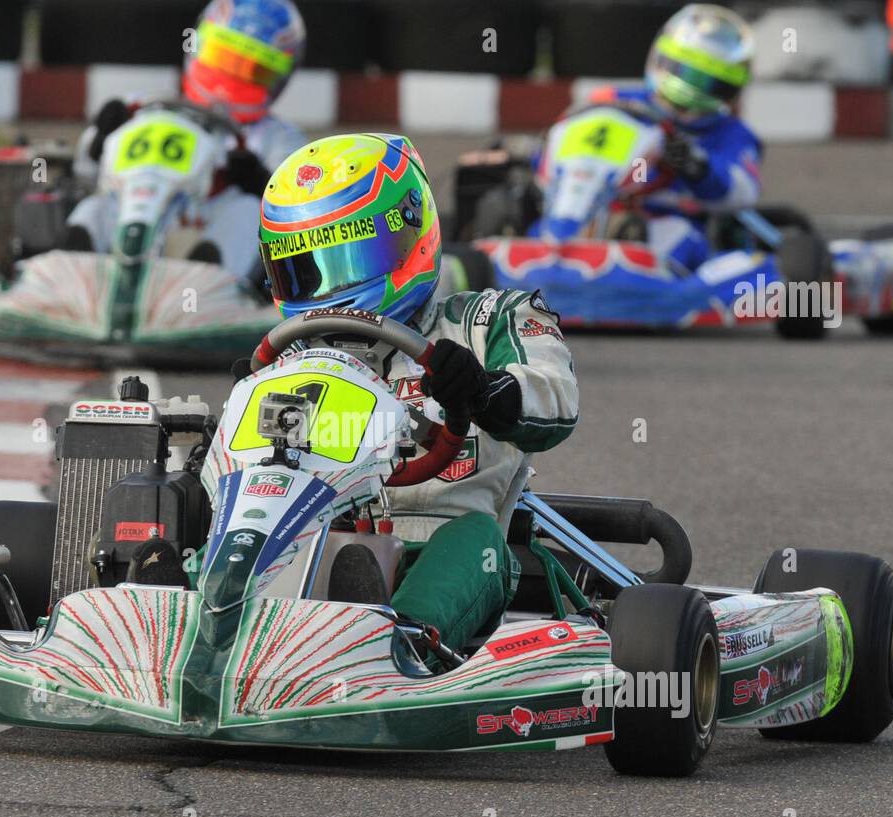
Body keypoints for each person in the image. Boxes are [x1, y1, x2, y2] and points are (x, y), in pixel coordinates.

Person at [258, 133, 580, 659]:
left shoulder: (488, 321)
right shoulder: (291, 357)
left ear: (409, 236)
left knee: (472, 538)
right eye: (310, 268)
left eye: (352, 257)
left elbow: (557, 399)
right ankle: (201, 619)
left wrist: (486, 389)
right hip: (315, 541)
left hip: (452, 541)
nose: (332, 287)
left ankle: (397, 649)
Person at [65, 0, 307, 275]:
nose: (229, 76)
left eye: (253, 69)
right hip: (130, 221)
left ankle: (209, 290)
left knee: (248, 211)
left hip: (205, 234)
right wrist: (100, 138)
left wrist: (259, 183)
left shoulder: (279, 139)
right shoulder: (143, 108)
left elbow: (299, 216)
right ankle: (69, 285)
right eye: (223, 57)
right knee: (93, 208)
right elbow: (85, 172)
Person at [545, 3, 761, 273]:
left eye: (710, 84)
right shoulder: (613, 102)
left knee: (674, 236)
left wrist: (696, 166)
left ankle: (631, 273)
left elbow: (743, 191)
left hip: (668, 222)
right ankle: (552, 245)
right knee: (515, 212)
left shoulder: (730, 134)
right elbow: (562, 146)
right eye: (685, 73)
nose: (691, 92)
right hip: (589, 208)